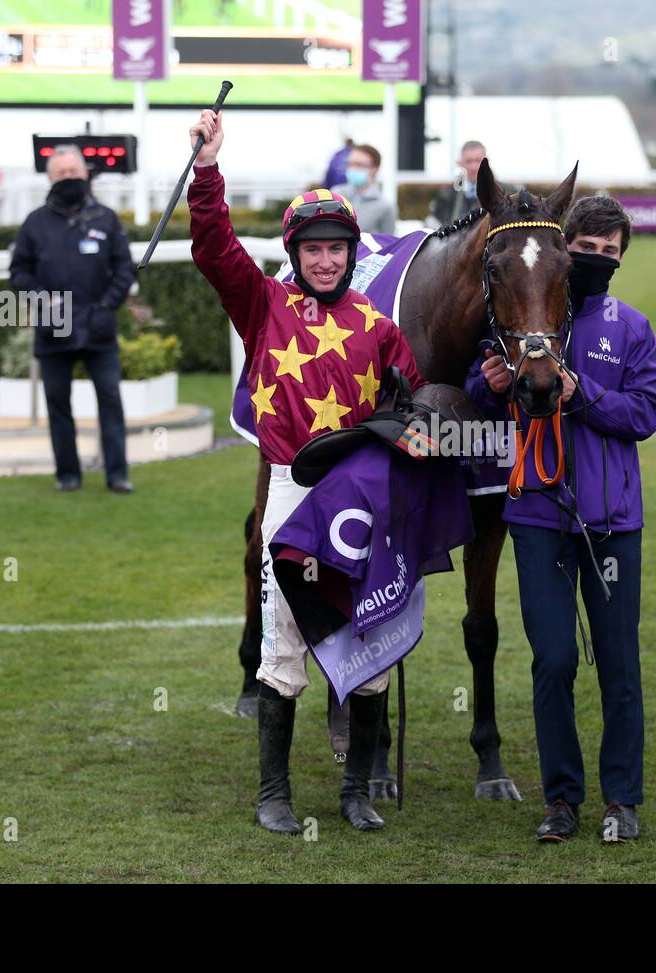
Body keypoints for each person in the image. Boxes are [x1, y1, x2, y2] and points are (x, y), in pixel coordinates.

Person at [186, 108, 425, 836]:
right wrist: (207, 170)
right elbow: (215, 248)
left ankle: (356, 792)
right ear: (295, 253)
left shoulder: (379, 327)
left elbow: (418, 407)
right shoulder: (262, 304)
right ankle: (274, 794)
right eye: (314, 249)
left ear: (352, 254)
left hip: (360, 497)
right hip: (293, 493)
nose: (325, 261)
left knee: (370, 642)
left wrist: (419, 419)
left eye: (336, 249)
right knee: (284, 643)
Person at [465, 195, 656, 842]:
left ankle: (622, 800)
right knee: (552, 661)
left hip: (612, 522)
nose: (597, 258)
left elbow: (645, 414)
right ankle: (561, 799)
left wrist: (585, 393)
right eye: (586, 248)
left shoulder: (631, 327)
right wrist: (490, 385)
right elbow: (475, 394)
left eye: (610, 251)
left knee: (618, 664)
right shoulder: (515, 317)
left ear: (622, 257)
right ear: (562, 248)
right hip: (537, 515)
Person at [9, 145, 135, 493]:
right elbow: (18, 273)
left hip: (99, 329)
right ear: (50, 177)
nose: (68, 178)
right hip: (54, 331)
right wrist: (44, 301)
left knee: (110, 402)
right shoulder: (34, 223)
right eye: (61, 173)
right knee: (58, 405)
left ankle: (117, 474)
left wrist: (106, 305)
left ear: (85, 174)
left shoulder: (106, 219)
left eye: (73, 172)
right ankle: (67, 475)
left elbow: (124, 269)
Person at [330, 143, 396, 234]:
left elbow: (389, 239)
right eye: (350, 164)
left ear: (374, 169)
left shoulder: (385, 206)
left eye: (359, 165)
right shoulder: (335, 195)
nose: (353, 169)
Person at [427, 140, 486, 228]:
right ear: (460, 163)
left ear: (486, 162)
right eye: (469, 161)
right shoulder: (446, 195)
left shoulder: (503, 193)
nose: (474, 167)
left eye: (478, 161)